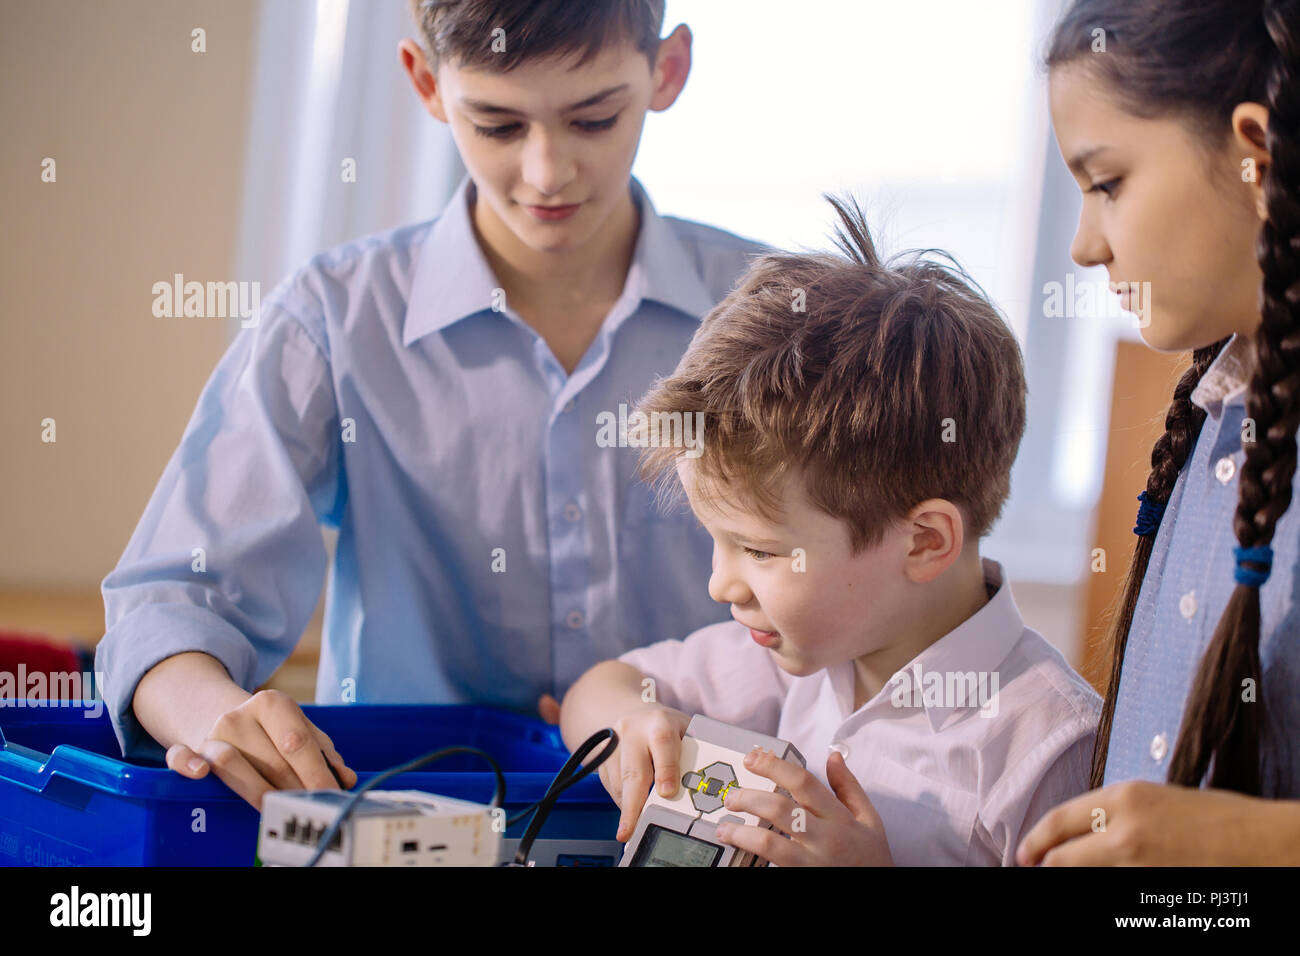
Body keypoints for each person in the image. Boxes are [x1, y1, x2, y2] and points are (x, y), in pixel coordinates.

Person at [95, 0, 765, 811]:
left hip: (706, 830)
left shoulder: (774, 316)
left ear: (667, 72)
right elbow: (170, 603)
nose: (548, 172)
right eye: (498, 124)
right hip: (402, 826)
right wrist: (213, 713)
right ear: (426, 82)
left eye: (593, 119)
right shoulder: (332, 321)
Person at [559, 195, 1102, 865]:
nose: (720, 583)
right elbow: (596, 689)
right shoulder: (792, 657)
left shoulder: (1053, 746)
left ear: (925, 541)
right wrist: (633, 727)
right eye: (716, 541)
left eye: (758, 550)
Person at [1018, 0, 1300, 865]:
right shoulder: (1208, 428)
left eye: (1106, 183)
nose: (1082, 246)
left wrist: (1250, 845)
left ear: (1257, 154)